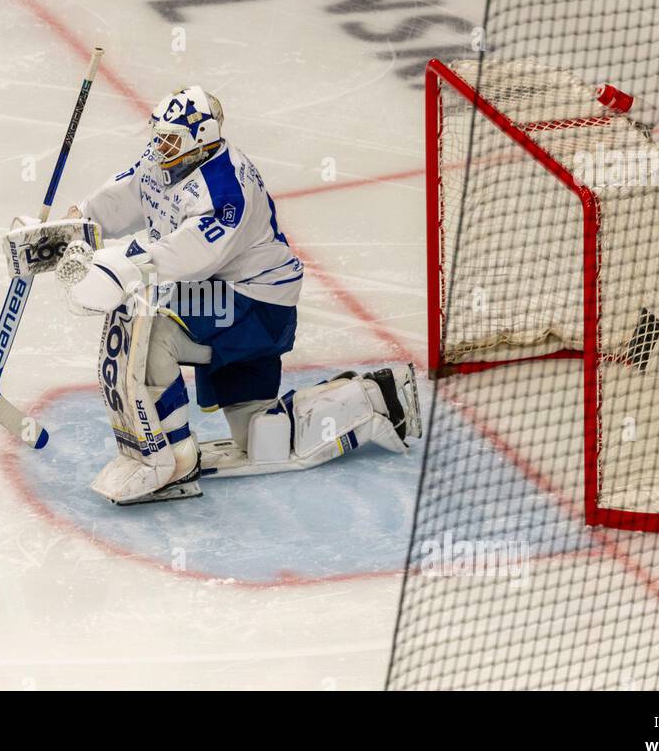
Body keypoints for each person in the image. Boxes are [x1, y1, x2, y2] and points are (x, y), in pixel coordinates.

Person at [56, 86, 420, 504]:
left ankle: (173, 459)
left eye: (170, 138)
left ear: (200, 137)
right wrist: (76, 224)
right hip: (225, 296)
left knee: (153, 334)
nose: (159, 146)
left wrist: (130, 261)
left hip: (258, 304)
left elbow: (195, 253)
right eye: (157, 135)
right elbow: (125, 196)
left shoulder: (227, 187)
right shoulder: (164, 163)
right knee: (263, 436)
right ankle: (377, 396)